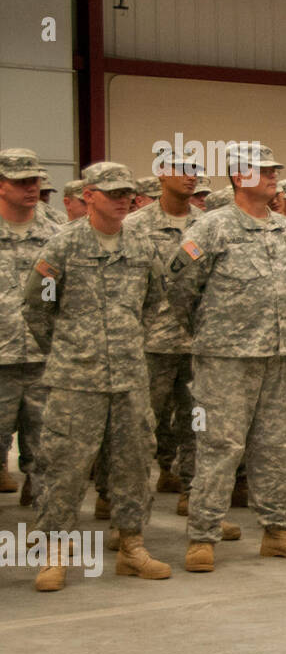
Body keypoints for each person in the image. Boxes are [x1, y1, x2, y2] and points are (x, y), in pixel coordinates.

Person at [166, 142, 286, 573]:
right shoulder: (212, 228)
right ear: (238, 176)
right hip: (225, 357)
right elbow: (178, 285)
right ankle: (203, 534)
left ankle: (276, 530)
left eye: (274, 169)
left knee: (275, 446)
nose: (273, 176)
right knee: (220, 445)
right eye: (263, 170)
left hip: (280, 353)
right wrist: (208, 330)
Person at [23, 162, 171, 591]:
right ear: (89, 196)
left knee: (133, 463)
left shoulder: (142, 245)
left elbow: (153, 300)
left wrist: (124, 340)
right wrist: (69, 348)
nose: (123, 199)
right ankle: (55, 552)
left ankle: (131, 547)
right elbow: (37, 306)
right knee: (64, 467)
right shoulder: (64, 245)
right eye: (113, 193)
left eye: (127, 192)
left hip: (128, 376)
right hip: (74, 379)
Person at [123, 150, 209, 521]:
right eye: (183, 171)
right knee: (142, 426)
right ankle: (124, 500)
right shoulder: (135, 225)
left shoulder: (207, 225)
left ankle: (192, 491)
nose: (191, 178)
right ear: (161, 175)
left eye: (195, 172)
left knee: (197, 423)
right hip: (152, 343)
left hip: (196, 344)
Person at [0, 149, 62, 506]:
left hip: (44, 356)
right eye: (21, 182)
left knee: (47, 444)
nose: (31, 188)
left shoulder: (57, 234)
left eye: (35, 181)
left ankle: (48, 522)